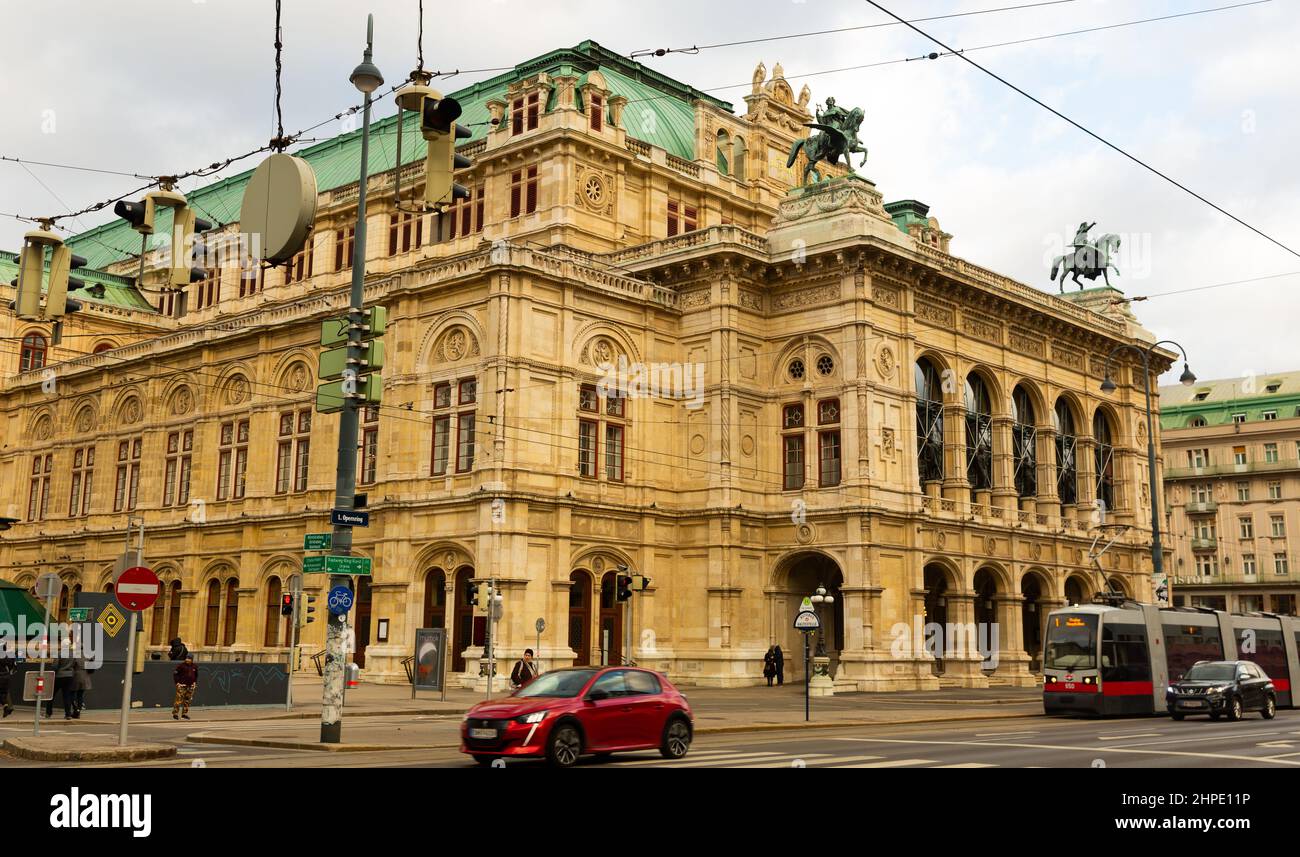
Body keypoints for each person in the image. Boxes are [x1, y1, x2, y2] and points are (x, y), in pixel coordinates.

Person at [46, 655, 77, 720]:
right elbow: (75, 664)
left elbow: (55, 665)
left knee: (51, 694)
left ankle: (48, 713)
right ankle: (68, 714)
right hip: (69, 676)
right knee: (67, 695)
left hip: (59, 676)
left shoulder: (59, 653)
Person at [172, 654, 198, 720]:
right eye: (186, 658)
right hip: (182, 685)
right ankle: (175, 714)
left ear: (191, 659)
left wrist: (194, 682)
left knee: (187, 700)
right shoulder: (181, 666)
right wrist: (177, 683)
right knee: (178, 700)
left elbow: (196, 675)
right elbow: (175, 674)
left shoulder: (194, 666)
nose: (187, 660)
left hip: (190, 686)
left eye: (189, 658)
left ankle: (184, 714)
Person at [0, 642, 17, 718]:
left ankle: (7, 707)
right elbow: (12, 665)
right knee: (4, 693)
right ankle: (7, 707)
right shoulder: (7, 656)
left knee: (3, 694)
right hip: (6, 676)